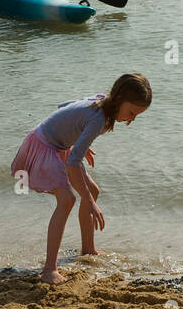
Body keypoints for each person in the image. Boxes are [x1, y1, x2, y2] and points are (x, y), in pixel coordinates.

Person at [10, 75, 152, 284]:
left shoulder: (101, 100)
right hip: (44, 146)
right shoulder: (99, 119)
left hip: (58, 144)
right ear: (120, 97)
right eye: (131, 113)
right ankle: (49, 270)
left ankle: (88, 249)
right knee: (68, 199)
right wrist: (89, 202)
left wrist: (77, 139)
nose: (131, 119)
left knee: (92, 190)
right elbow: (72, 164)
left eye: (136, 116)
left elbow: (66, 107)